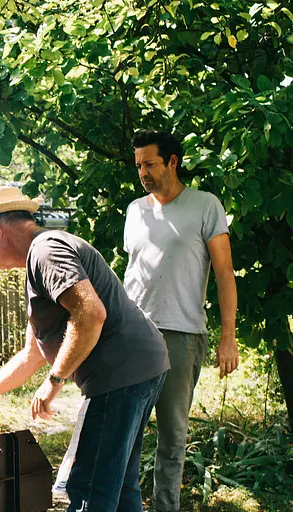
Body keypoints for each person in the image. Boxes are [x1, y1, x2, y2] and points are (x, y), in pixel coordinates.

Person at [0, 185, 170, 512]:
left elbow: (90, 314)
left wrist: (54, 382)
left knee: (89, 491)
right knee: (120, 489)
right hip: (140, 369)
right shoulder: (40, 259)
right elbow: (32, 354)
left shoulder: (46, 251)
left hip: (119, 374)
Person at [126, 130, 239, 512]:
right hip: (135, 335)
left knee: (171, 439)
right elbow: (132, 271)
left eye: (150, 163)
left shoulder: (205, 205)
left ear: (172, 162)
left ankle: (164, 508)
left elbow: (224, 273)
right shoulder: (134, 211)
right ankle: (122, 504)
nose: (143, 171)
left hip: (181, 335)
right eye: (139, 164)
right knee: (125, 432)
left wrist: (229, 337)